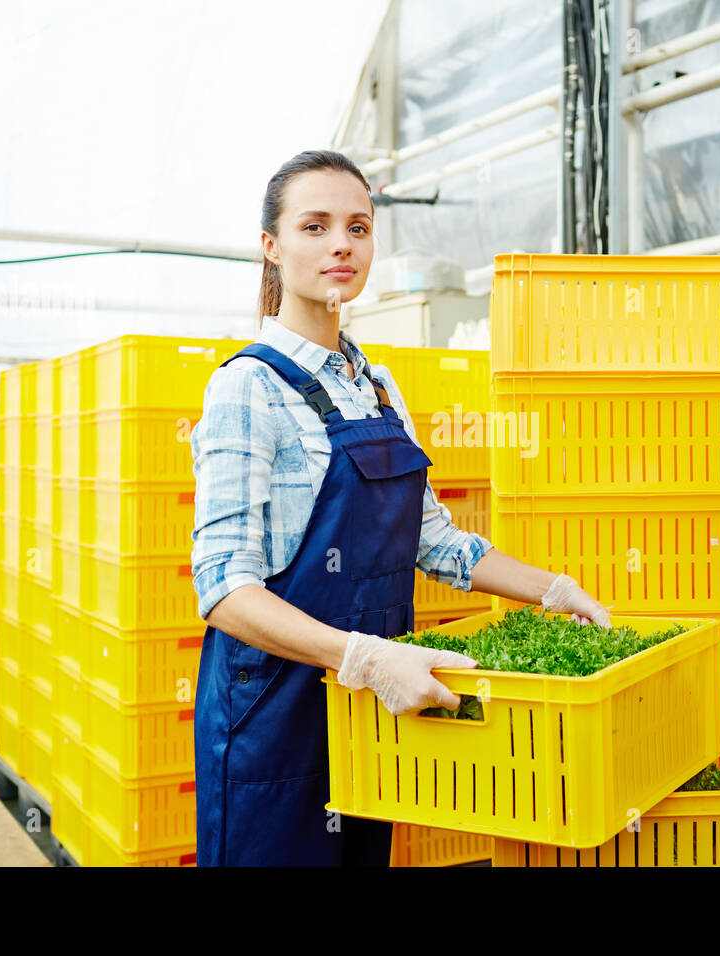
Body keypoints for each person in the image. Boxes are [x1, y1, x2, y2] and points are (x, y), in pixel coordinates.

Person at [190, 148, 612, 867]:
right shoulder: (247, 387)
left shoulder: (377, 386)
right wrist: (361, 657)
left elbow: (437, 541)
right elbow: (224, 587)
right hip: (275, 713)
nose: (340, 246)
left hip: (373, 714)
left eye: (357, 227)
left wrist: (551, 589)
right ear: (272, 246)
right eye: (315, 226)